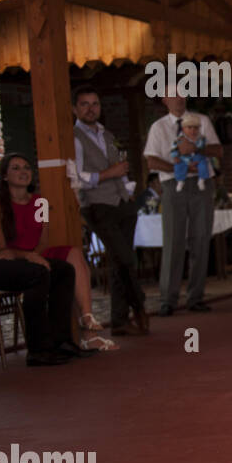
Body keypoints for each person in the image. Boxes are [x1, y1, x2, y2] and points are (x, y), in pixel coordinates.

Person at [0, 154, 96, 364]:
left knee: (64, 269)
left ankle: (62, 341)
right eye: (16, 168)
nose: (23, 172)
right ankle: (38, 349)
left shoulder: (41, 203)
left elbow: (43, 240)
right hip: (11, 260)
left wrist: (37, 256)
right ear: (4, 176)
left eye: (26, 167)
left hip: (33, 256)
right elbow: (2, 250)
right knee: (39, 274)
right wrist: (28, 257)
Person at [72, 86, 147, 337]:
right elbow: (76, 178)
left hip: (122, 202)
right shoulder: (74, 138)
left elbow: (120, 166)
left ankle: (119, 321)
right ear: (75, 108)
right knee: (126, 258)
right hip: (96, 205)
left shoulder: (107, 134)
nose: (91, 109)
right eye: (85, 104)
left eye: (95, 104)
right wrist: (108, 174)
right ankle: (140, 305)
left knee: (119, 261)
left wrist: (127, 189)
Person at [143, 91, 222, 315]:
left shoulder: (202, 121)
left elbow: (218, 150)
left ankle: (195, 297)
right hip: (173, 186)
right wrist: (180, 168)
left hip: (201, 184)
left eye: (182, 94)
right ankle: (168, 300)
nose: (178, 99)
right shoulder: (158, 127)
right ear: (164, 100)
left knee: (201, 240)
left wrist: (196, 149)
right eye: (173, 95)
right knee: (173, 241)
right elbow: (151, 161)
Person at [169, 114, 211, 192]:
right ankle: (180, 181)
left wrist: (195, 146)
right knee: (178, 166)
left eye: (195, 128)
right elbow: (174, 149)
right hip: (184, 158)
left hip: (197, 158)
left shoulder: (201, 138)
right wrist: (175, 157)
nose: (193, 130)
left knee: (204, 164)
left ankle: (201, 180)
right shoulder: (179, 139)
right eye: (189, 128)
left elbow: (202, 148)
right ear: (183, 129)